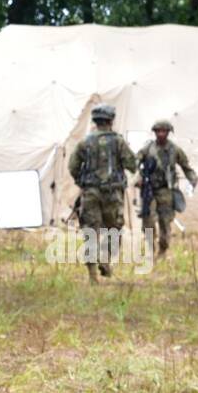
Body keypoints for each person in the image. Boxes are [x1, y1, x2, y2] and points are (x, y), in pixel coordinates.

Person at [68, 103, 136, 283]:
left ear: (95, 121)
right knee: (114, 230)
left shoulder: (85, 142)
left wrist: (82, 183)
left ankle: (92, 277)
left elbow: (73, 166)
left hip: (91, 193)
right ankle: (105, 259)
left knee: (91, 232)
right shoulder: (119, 142)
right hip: (112, 193)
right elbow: (132, 164)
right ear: (111, 120)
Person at [136, 119, 198, 259]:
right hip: (149, 190)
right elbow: (135, 161)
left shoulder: (175, 150)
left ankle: (163, 250)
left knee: (165, 222)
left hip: (166, 191)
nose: (161, 134)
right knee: (148, 221)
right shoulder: (148, 148)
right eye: (158, 131)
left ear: (168, 133)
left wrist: (192, 181)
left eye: (164, 131)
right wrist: (137, 178)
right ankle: (150, 250)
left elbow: (186, 168)